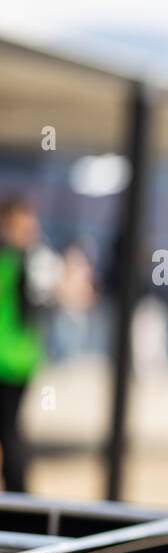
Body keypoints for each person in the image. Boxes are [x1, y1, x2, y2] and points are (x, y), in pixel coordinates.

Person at [0, 194, 44, 493]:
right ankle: (20, 494)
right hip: (22, 358)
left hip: (7, 360)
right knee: (12, 430)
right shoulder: (32, 260)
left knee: (10, 432)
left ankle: (20, 495)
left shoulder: (11, 260)